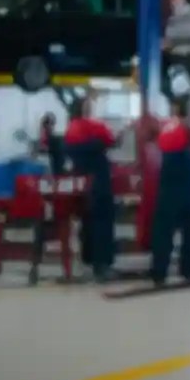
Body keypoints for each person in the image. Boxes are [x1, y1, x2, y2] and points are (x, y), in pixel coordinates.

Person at [64, 96, 121, 282]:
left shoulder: (71, 128)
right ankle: (102, 266)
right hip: (100, 183)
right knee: (103, 223)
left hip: (81, 184)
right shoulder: (96, 127)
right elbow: (112, 141)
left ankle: (89, 260)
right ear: (85, 109)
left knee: (87, 224)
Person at [150, 96, 190, 285]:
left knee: (164, 229)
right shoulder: (188, 129)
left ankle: (159, 272)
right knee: (188, 230)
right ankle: (186, 270)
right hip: (185, 183)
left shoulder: (171, 127)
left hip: (172, 182)